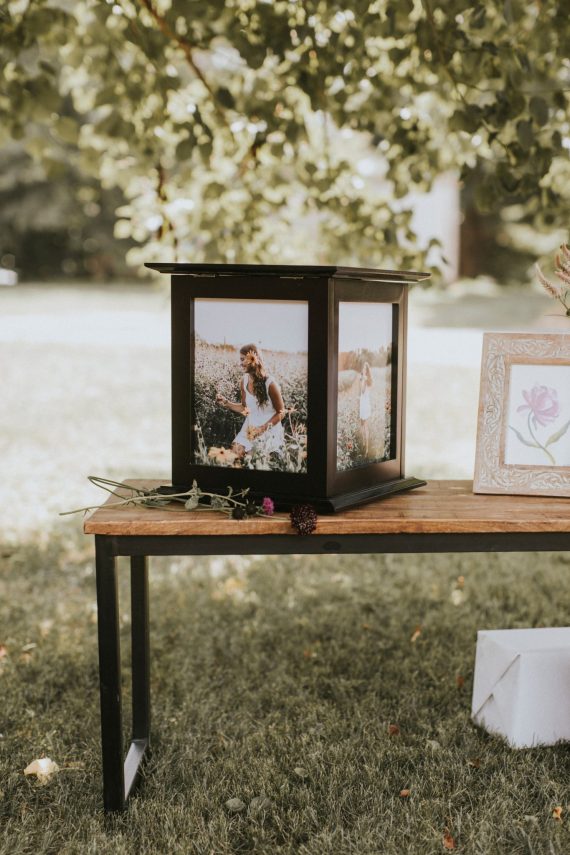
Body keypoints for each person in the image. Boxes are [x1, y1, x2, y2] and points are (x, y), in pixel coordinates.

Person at [215, 344, 286, 460]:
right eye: (240, 359)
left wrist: (262, 429)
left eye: (243, 359)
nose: (240, 363)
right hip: (250, 428)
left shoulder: (270, 384)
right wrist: (226, 403)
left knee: (252, 458)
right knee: (234, 456)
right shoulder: (244, 381)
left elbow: (281, 413)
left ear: (253, 359)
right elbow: (245, 408)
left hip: (269, 429)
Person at [359, 361, 373, 456]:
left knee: (365, 426)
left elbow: (363, 391)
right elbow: (366, 392)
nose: (363, 369)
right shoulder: (369, 379)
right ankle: (364, 444)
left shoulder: (365, 379)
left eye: (364, 368)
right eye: (363, 368)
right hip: (365, 403)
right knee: (363, 425)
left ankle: (366, 449)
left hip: (364, 405)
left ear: (367, 370)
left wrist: (363, 379)